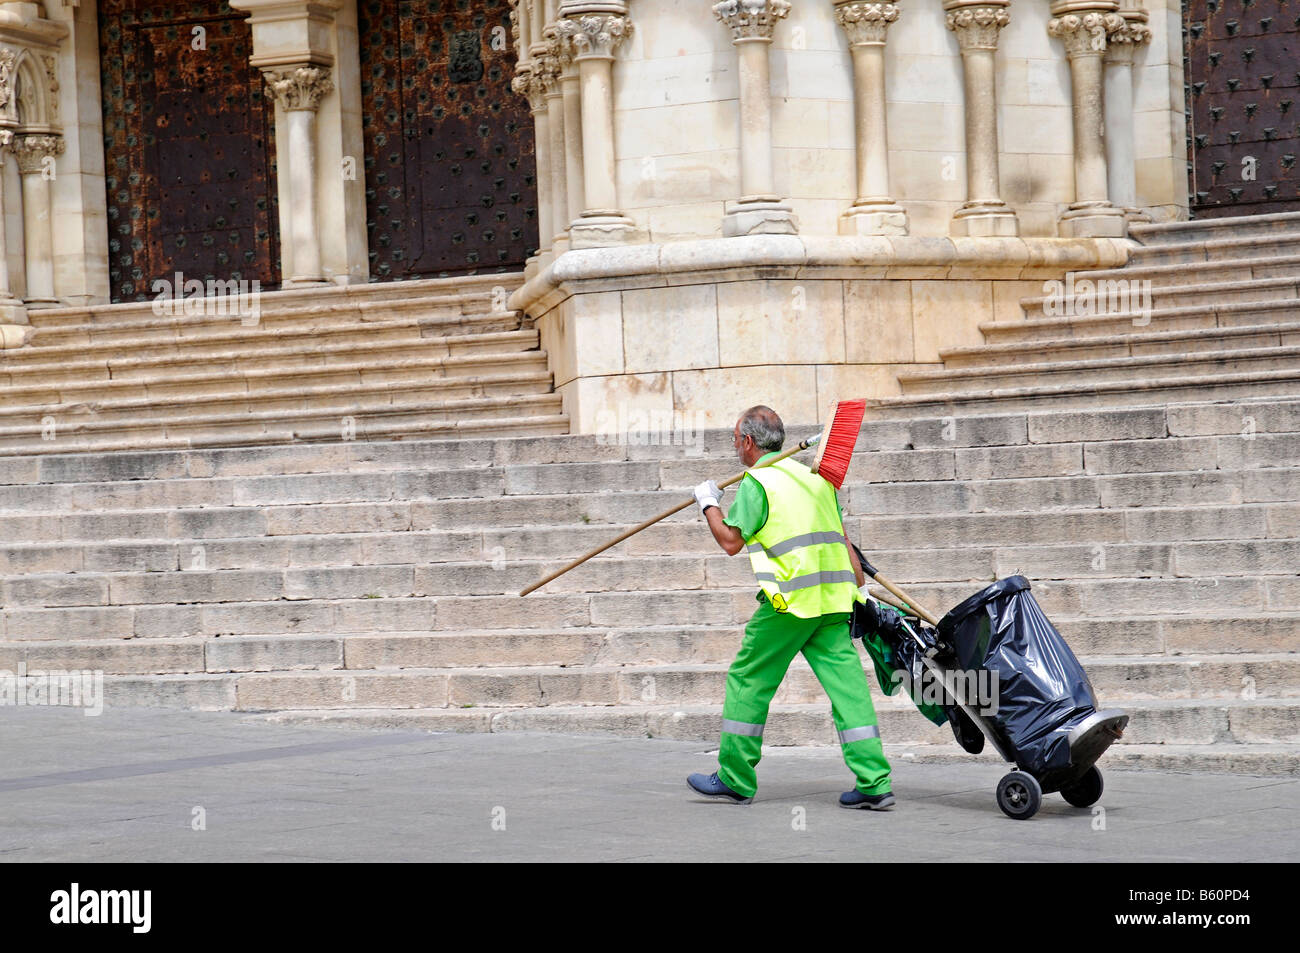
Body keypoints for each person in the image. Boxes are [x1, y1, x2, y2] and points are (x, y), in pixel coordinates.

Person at [686, 405, 894, 809]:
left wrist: (708, 503)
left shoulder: (757, 482)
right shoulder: (816, 478)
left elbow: (730, 542)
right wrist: (860, 589)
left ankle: (734, 777)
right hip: (834, 601)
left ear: (747, 442)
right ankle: (874, 781)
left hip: (789, 605)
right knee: (849, 690)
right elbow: (843, 539)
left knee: (749, 679)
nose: (734, 446)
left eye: (734, 439)